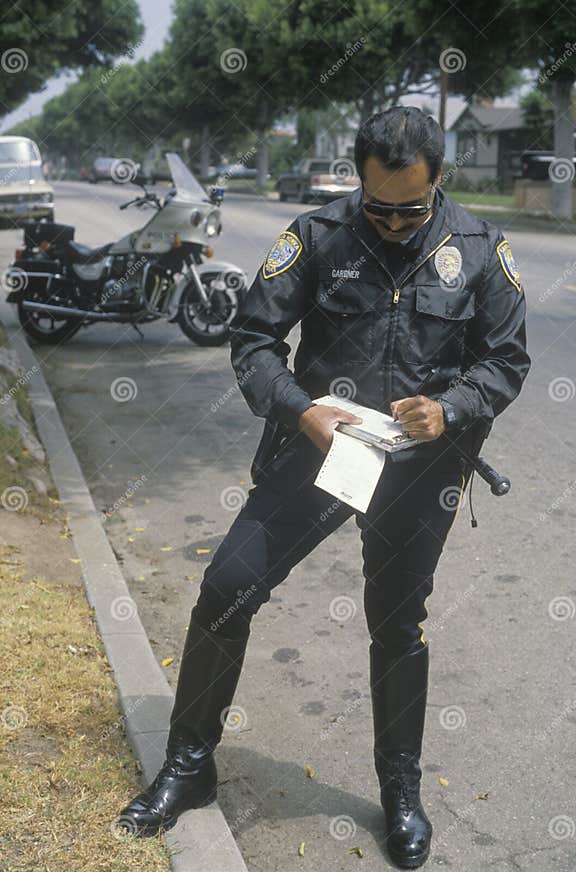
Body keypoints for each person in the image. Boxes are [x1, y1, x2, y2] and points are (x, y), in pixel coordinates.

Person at [117, 106, 530, 868]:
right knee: (226, 587)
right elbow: (253, 343)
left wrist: (451, 408)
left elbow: (506, 360)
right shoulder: (315, 237)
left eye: (412, 206)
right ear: (357, 182)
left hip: (420, 469)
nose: (396, 222)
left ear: (440, 179)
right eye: (380, 207)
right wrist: (303, 411)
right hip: (320, 451)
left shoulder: (477, 245)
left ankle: (400, 790)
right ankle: (188, 764)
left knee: (398, 625)